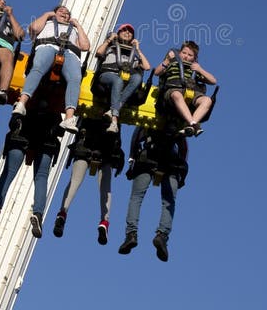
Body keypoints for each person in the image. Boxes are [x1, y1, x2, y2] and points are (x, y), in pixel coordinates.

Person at [0, 98, 63, 237]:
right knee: (41, 177)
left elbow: (13, 121)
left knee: (8, 173)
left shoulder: (26, 95)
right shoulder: (55, 102)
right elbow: (61, 129)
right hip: (46, 140)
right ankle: (38, 213)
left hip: (22, 135)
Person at [11, 5, 90, 132]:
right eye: (61, 11)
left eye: (67, 13)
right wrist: (48, 14)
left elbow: (85, 46)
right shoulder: (47, 23)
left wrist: (78, 25)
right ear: (54, 13)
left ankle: (69, 118)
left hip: (70, 53)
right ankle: (21, 103)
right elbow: (33, 29)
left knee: (75, 78)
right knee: (38, 68)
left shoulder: (74, 30)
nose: (65, 14)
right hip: (48, 45)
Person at [117, 127, 188, 262]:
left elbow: (136, 137)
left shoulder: (150, 119)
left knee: (136, 198)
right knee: (169, 201)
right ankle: (162, 235)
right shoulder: (179, 121)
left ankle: (131, 234)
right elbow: (183, 148)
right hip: (170, 162)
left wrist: (132, 159)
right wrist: (181, 172)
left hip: (148, 158)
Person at [51, 118, 125, 245]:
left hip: (85, 147)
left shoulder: (89, 109)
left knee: (74, 182)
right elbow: (118, 137)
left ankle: (62, 213)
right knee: (105, 188)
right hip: (106, 150)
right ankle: (104, 221)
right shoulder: (114, 112)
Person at [94, 23, 150, 133]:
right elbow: (99, 52)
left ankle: (113, 110)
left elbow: (147, 67)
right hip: (108, 75)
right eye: (124, 30)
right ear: (118, 33)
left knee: (137, 78)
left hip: (125, 79)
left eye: (130, 32)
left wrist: (137, 49)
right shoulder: (111, 47)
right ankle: (114, 121)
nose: (127, 32)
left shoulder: (133, 54)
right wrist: (109, 40)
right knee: (117, 80)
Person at [154, 40, 216, 137]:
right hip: (172, 91)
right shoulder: (172, 63)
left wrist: (200, 70)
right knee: (177, 95)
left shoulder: (194, 69)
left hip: (191, 93)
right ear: (179, 53)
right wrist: (167, 61)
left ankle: (192, 123)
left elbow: (213, 81)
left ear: (194, 58)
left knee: (207, 100)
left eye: (190, 55)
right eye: (184, 53)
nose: (186, 56)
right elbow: (157, 72)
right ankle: (193, 123)